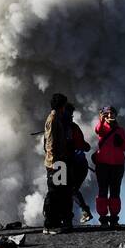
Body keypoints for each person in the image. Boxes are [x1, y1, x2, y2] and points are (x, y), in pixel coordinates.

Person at [42, 94, 74, 234]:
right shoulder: (54, 120)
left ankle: (54, 222)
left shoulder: (56, 119)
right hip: (56, 163)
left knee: (60, 192)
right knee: (54, 193)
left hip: (58, 161)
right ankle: (50, 224)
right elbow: (50, 143)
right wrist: (55, 162)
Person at [93, 106, 125, 228]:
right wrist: (101, 120)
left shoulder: (120, 130)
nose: (110, 115)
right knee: (102, 190)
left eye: (112, 113)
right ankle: (103, 218)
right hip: (103, 164)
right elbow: (98, 130)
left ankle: (114, 218)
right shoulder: (102, 128)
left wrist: (121, 143)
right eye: (107, 114)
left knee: (115, 191)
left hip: (117, 165)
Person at [68, 107, 95, 224]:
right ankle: (71, 216)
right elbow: (85, 146)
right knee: (70, 190)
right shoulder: (74, 127)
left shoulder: (66, 128)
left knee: (68, 190)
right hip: (80, 165)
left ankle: (70, 216)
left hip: (73, 165)